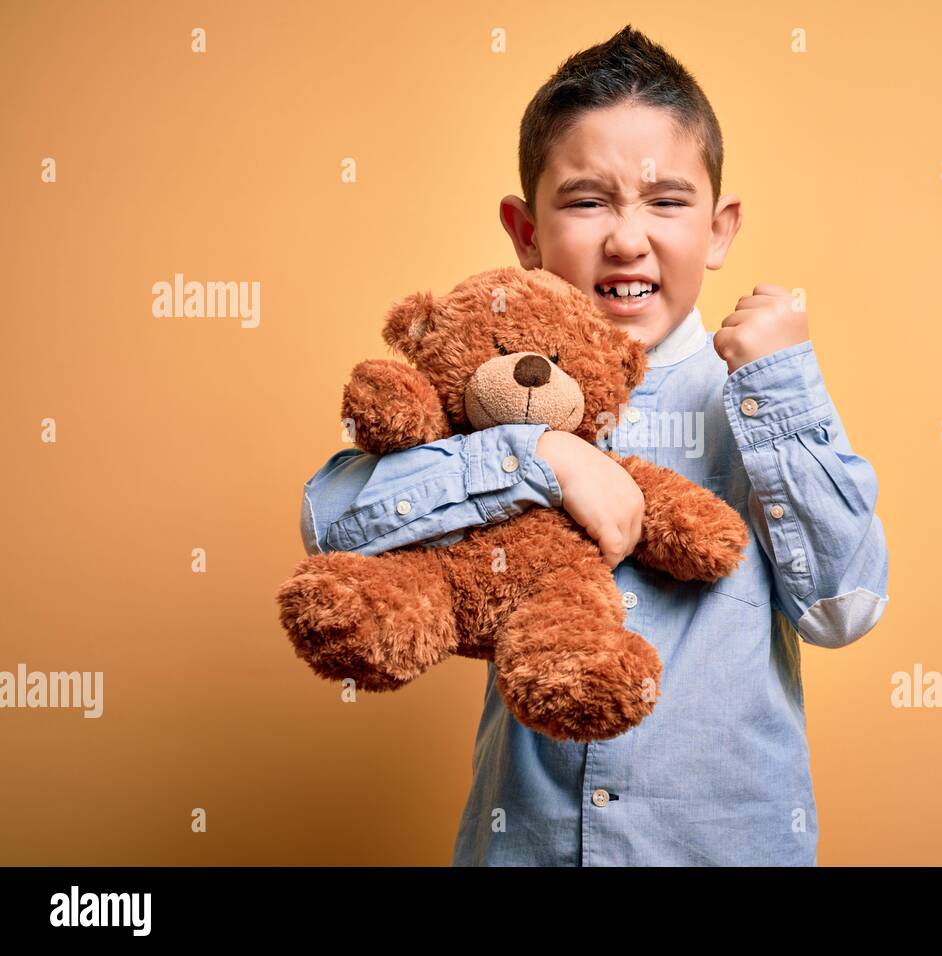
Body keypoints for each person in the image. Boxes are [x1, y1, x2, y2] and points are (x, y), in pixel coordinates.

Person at [299, 24, 889, 866]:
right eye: (586, 200)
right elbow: (328, 524)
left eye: (667, 200)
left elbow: (844, 607)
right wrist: (537, 458)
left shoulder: (758, 399)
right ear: (525, 231)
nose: (627, 238)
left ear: (720, 230)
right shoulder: (488, 385)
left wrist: (786, 392)